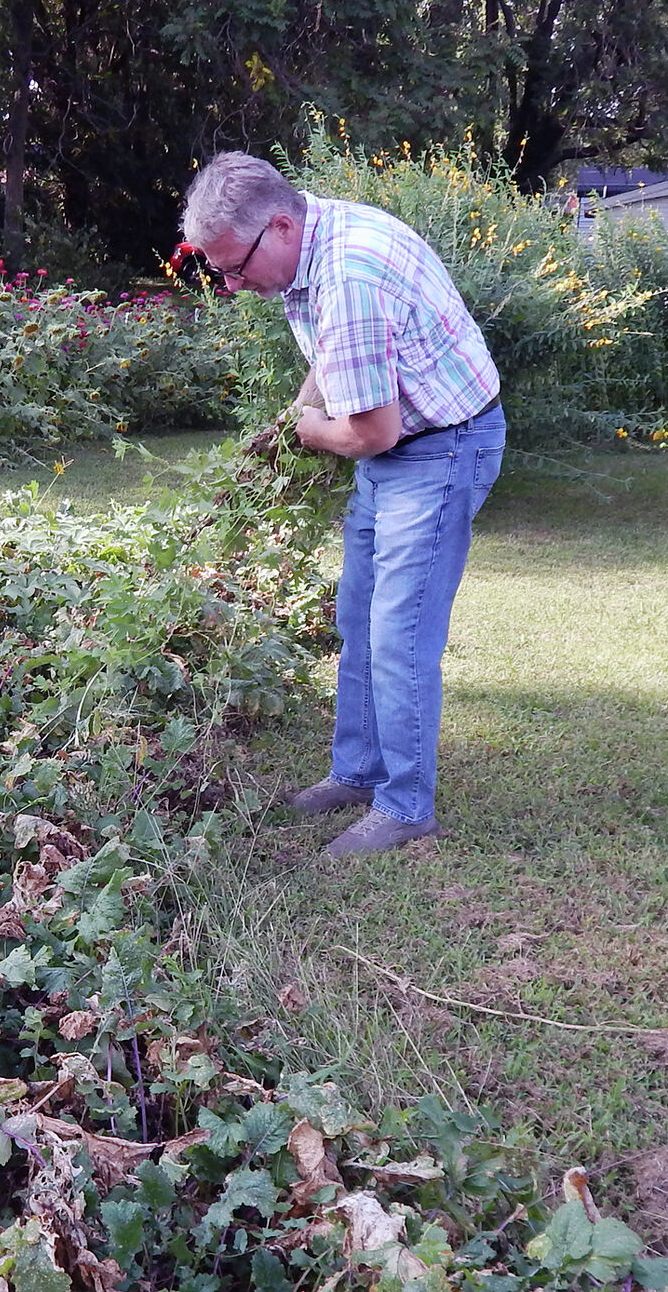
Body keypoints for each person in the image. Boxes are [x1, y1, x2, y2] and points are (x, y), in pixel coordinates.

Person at [180, 152, 504, 855]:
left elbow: (369, 432)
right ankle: (357, 773)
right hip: (400, 449)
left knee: (399, 635)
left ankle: (406, 806)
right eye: (221, 272)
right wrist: (288, 421)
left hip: (441, 449)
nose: (233, 285)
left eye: (236, 268)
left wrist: (307, 431)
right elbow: (335, 360)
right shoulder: (312, 243)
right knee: (357, 617)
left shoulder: (350, 276)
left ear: (279, 225)